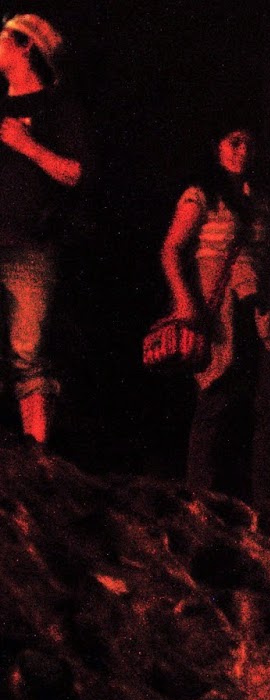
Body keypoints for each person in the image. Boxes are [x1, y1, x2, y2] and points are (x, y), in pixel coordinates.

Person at [160, 126, 270, 506]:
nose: (242, 150)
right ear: (216, 146)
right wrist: (185, 301)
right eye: (234, 142)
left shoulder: (263, 200)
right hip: (219, 309)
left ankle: (267, 505)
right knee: (215, 398)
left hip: (260, 309)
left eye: (250, 142)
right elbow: (171, 249)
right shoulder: (201, 195)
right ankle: (200, 500)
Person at [0, 14, 84, 447]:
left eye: (2, 39)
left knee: (28, 353)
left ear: (25, 45)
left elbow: (74, 173)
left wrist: (27, 146)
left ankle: (39, 457)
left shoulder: (55, 108)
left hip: (31, 246)